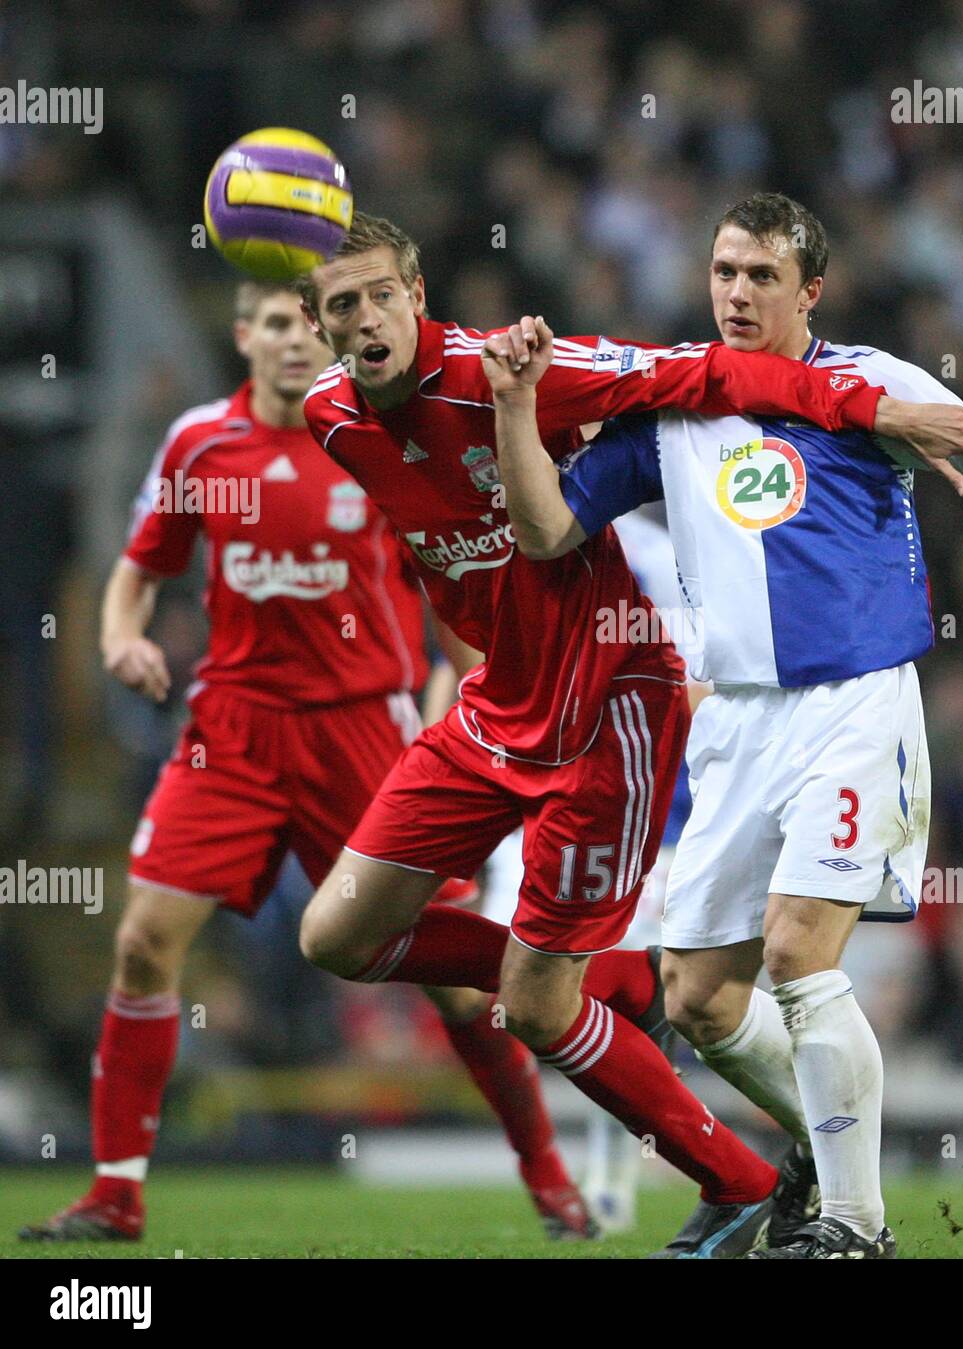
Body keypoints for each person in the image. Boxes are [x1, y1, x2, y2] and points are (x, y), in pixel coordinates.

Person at [481, 191, 963, 1259]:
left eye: (762, 276)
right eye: (724, 272)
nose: (737, 293)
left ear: (811, 290)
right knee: (698, 997)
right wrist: (513, 411)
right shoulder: (669, 404)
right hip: (732, 723)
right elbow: (548, 528)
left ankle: (854, 1224)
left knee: (800, 951)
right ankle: (825, 1142)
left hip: (853, 705)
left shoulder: (876, 385)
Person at [292, 211, 963, 1256]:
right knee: (334, 937)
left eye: (379, 295)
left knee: (539, 1009)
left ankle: (740, 1178)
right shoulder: (329, 416)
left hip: (604, 709)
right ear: (317, 323)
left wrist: (873, 403)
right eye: (340, 305)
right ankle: (614, 990)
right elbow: (435, 546)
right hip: (494, 710)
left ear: (416, 293)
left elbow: (716, 375)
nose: (365, 319)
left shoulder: (527, 370)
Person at [19, 283, 612, 1244]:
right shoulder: (199, 446)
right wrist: (122, 636)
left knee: (454, 981)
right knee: (140, 942)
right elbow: (137, 565)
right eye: (279, 323)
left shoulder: (371, 435)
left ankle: (546, 1171)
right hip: (233, 729)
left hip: (364, 732)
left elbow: (452, 597)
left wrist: (459, 712)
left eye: (315, 324)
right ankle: (116, 1194)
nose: (301, 341)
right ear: (246, 334)